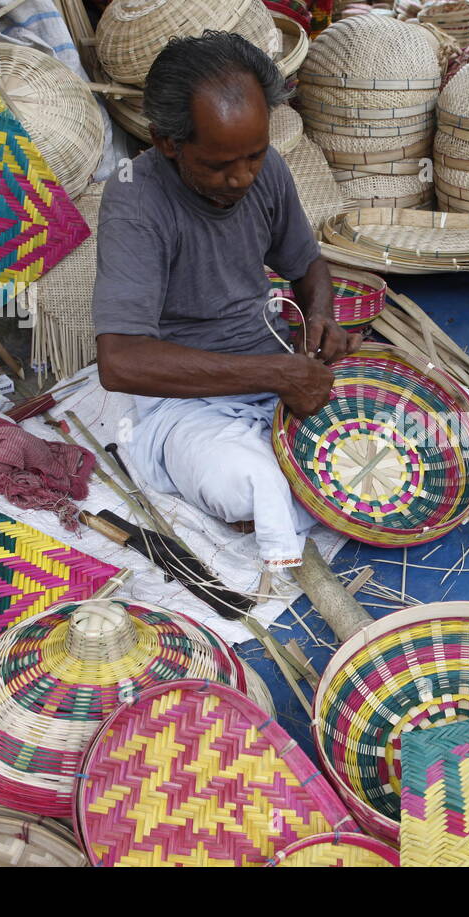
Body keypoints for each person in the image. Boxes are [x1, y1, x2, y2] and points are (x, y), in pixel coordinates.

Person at [92, 31, 361, 571]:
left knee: (393, 438)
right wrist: (275, 374)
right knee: (247, 487)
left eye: (254, 156)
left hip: (279, 366)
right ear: (168, 142)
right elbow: (120, 362)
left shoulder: (266, 169)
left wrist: (320, 318)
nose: (242, 178)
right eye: (217, 165)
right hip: (187, 401)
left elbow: (306, 264)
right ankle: (281, 497)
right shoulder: (134, 200)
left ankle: (290, 495)